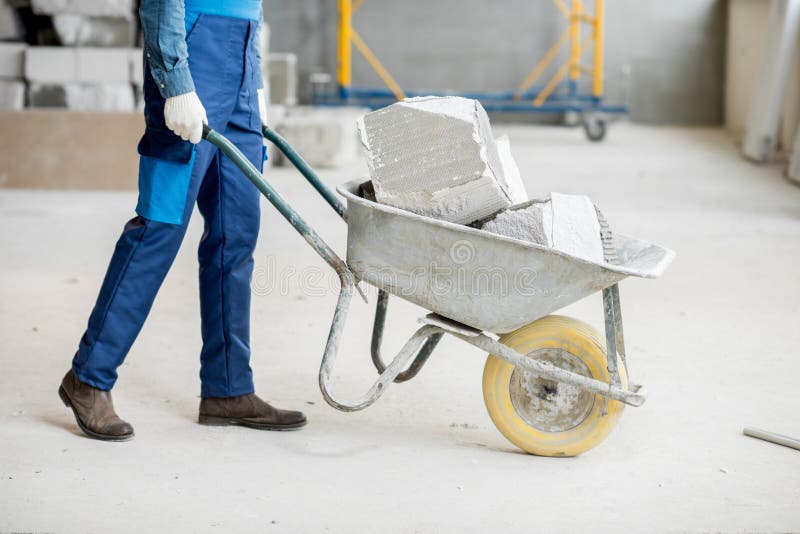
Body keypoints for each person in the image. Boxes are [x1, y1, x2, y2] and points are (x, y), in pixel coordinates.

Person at [57, 0, 306, 441]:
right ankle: (89, 378)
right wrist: (175, 82)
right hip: (193, 60)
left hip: (243, 68)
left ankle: (227, 389)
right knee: (159, 228)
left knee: (237, 235)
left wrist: (256, 82)